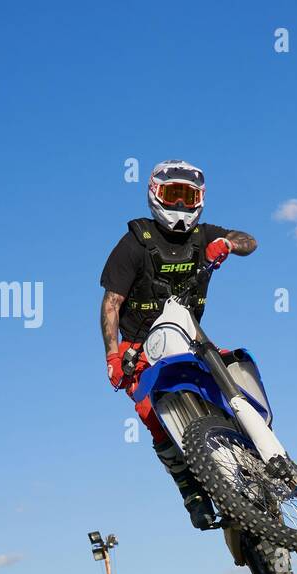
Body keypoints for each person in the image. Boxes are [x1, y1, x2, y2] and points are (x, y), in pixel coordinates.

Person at [98, 159, 257, 530]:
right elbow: (111, 303)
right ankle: (191, 492)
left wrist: (228, 243)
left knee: (237, 371)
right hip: (138, 345)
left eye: (190, 197)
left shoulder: (204, 235)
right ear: (156, 193)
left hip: (190, 338)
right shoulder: (134, 243)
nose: (183, 205)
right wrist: (112, 355)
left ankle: (260, 455)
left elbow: (250, 240)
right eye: (175, 195)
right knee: (151, 416)